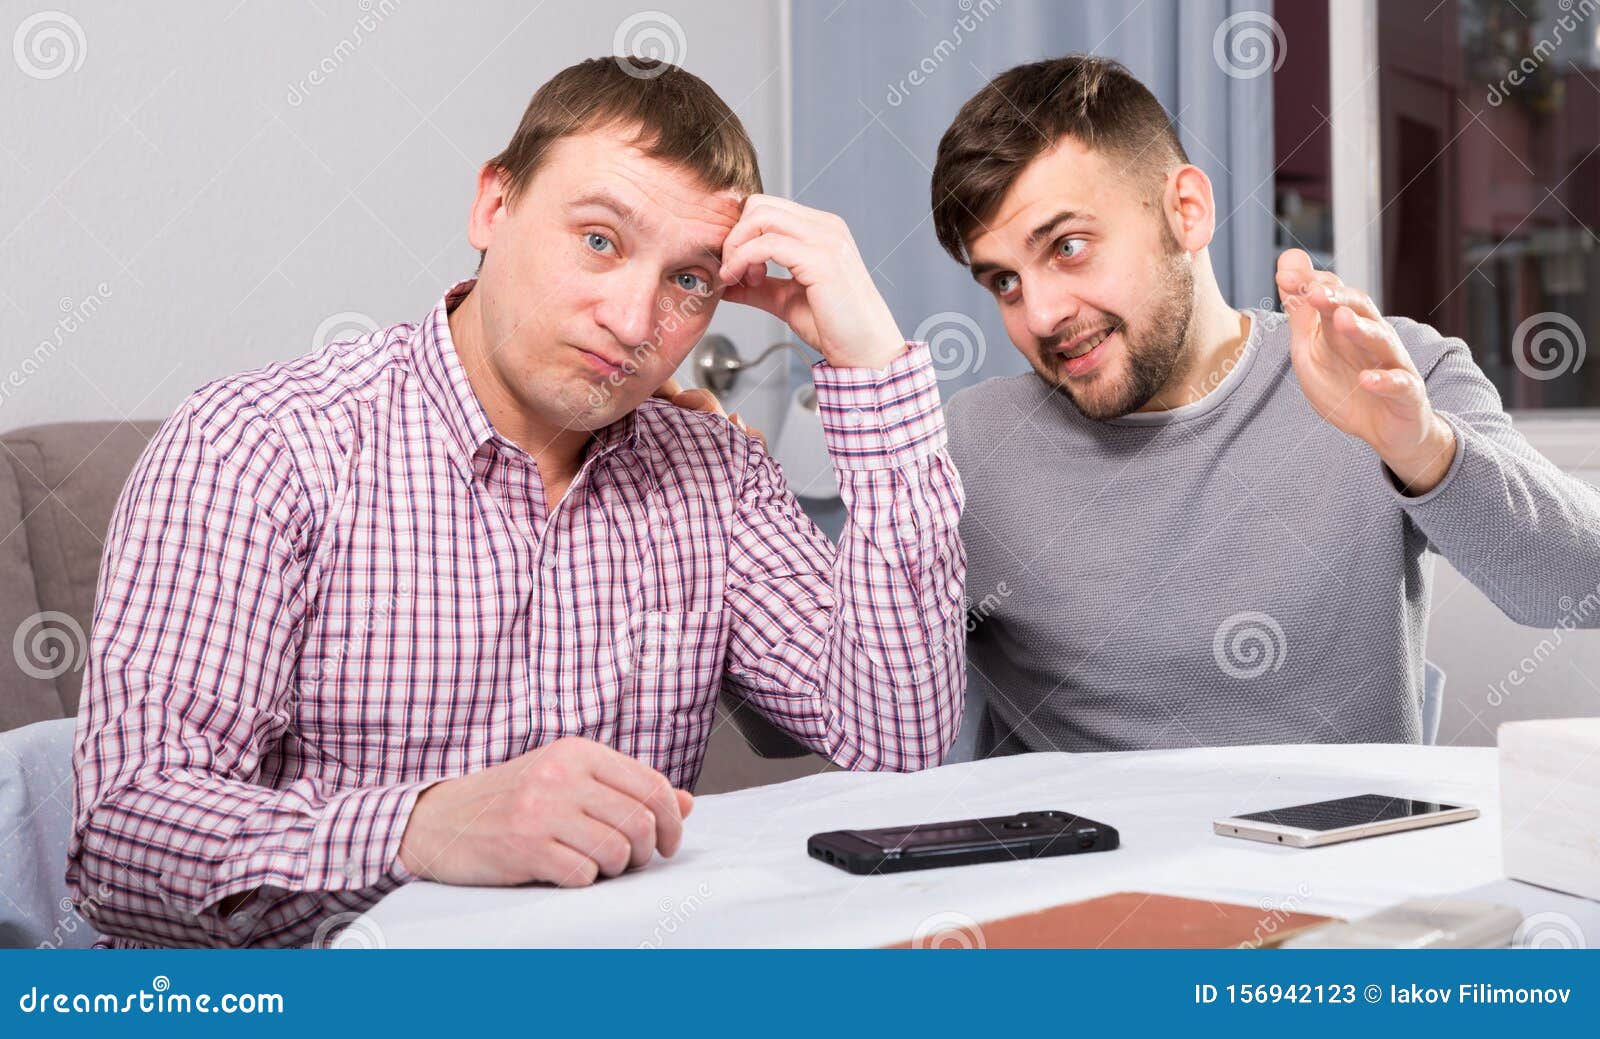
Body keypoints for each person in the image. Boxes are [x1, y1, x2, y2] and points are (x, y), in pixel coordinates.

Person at [67, 57, 965, 948]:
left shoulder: (716, 473)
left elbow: (900, 742)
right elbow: (122, 840)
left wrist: (873, 366)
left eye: (689, 281)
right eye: (601, 241)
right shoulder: (259, 446)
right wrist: (422, 827)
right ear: (494, 206)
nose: (632, 320)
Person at [930, 54, 1600, 756]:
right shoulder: (967, 448)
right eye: (1004, 281)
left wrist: (1425, 452)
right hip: (1087, 862)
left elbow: (1579, 580)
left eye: (1068, 247)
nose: (1039, 314)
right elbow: (841, 707)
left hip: (1343, 856)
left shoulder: (1383, 370)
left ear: (1185, 210)